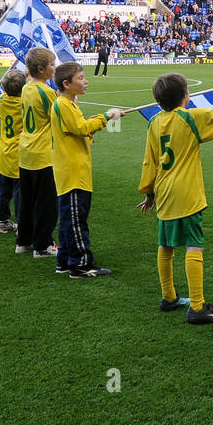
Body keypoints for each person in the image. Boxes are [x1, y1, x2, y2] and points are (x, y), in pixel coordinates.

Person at [138, 72, 213, 326]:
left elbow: (150, 160)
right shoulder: (191, 117)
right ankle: (198, 306)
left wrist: (149, 193)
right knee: (194, 244)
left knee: (166, 245)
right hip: (188, 193)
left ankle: (168, 297)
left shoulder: (154, 122)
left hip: (164, 191)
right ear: (185, 97)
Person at [50, 61, 123, 277]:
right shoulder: (63, 104)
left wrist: (92, 126)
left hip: (75, 170)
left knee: (69, 221)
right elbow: (81, 128)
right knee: (75, 220)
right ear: (66, 83)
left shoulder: (70, 105)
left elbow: (79, 132)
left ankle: (64, 261)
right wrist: (107, 116)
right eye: (80, 78)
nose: (85, 81)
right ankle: (81, 264)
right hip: (72, 172)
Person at [16, 47, 60, 258]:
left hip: (26, 151)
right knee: (46, 202)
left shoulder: (26, 88)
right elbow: (60, 118)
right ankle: (43, 245)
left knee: (27, 199)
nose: (55, 68)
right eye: (52, 64)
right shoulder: (47, 92)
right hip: (43, 153)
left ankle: (23, 241)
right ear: (42, 69)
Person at [0, 70, 25, 235]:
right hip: (19, 154)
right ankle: (22, 224)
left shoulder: (3, 99)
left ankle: (3, 221)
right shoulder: (25, 105)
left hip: (5, 153)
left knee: (4, 190)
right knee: (20, 192)